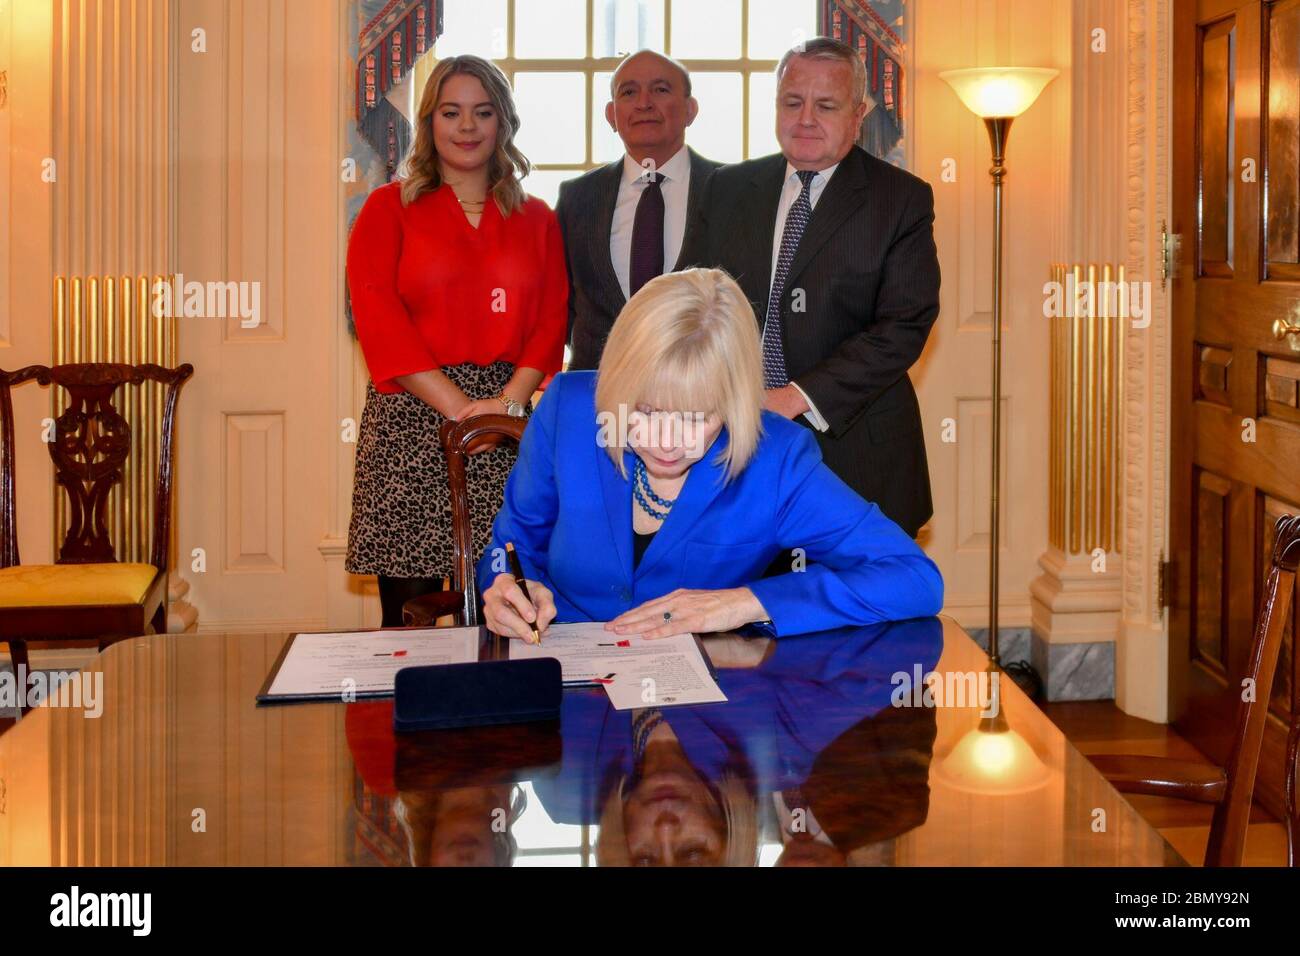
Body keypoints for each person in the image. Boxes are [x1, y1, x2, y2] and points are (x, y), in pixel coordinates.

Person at [476, 267, 942, 642]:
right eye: (646, 410)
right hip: (570, 700)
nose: (666, 441)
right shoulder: (570, 411)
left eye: (696, 418)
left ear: (733, 403)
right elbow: (512, 544)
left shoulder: (776, 458)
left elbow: (913, 578)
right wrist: (503, 586)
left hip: (707, 716)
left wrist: (744, 602)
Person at [682, 37, 941, 538]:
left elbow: (904, 324)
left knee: (859, 609)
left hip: (857, 451)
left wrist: (796, 396)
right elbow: (692, 301)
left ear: (858, 113)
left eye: (825, 106)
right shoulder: (727, 187)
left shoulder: (901, 200)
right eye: (792, 102)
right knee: (742, 603)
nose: (805, 119)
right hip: (734, 444)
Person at [345, 54, 567, 627]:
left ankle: (498, 715)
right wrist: (463, 411)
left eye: (482, 112)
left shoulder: (538, 218)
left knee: (508, 609)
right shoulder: (384, 209)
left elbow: (551, 320)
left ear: (503, 124)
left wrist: (505, 409)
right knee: (408, 623)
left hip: (508, 427)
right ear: (429, 123)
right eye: (451, 112)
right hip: (411, 421)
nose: (466, 127)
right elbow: (379, 320)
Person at [556, 49, 720, 370]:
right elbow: (561, 306)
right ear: (611, 115)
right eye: (628, 92)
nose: (644, 103)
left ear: (690, 109)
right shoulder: (577, 198)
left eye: (660, 89)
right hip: (598, 393)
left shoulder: (733, 191)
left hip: (703, 394)